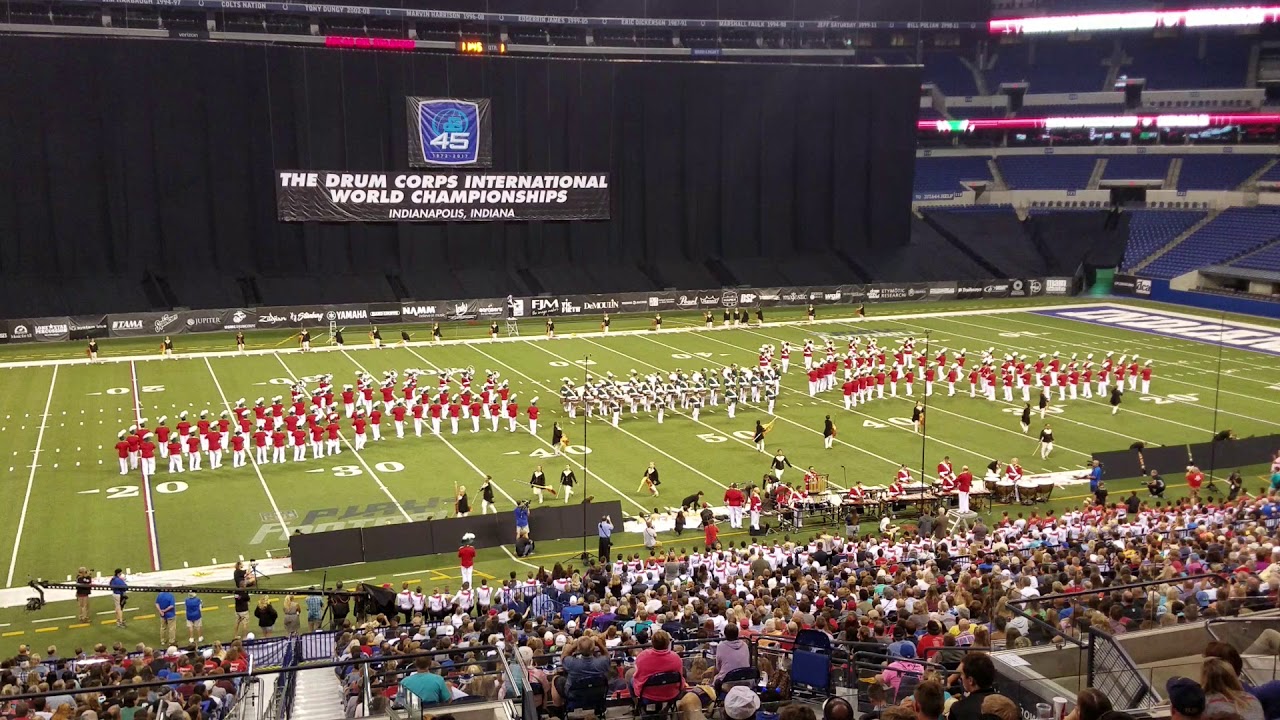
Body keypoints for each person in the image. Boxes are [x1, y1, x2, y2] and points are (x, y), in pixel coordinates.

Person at [631, 630, 684, 703]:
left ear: (652, 642)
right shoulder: (676, 658)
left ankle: (636, 705)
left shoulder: (642, 656)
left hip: (647, 695)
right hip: (671, 693)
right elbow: (681, 678)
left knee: (629, 676)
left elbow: (637, 675)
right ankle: (667, 708)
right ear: (668, 643)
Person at [948, 652, 995, 720]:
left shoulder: (958, 709)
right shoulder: (1006, 705)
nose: (961, 677)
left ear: (970, 680)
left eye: (962, 674)